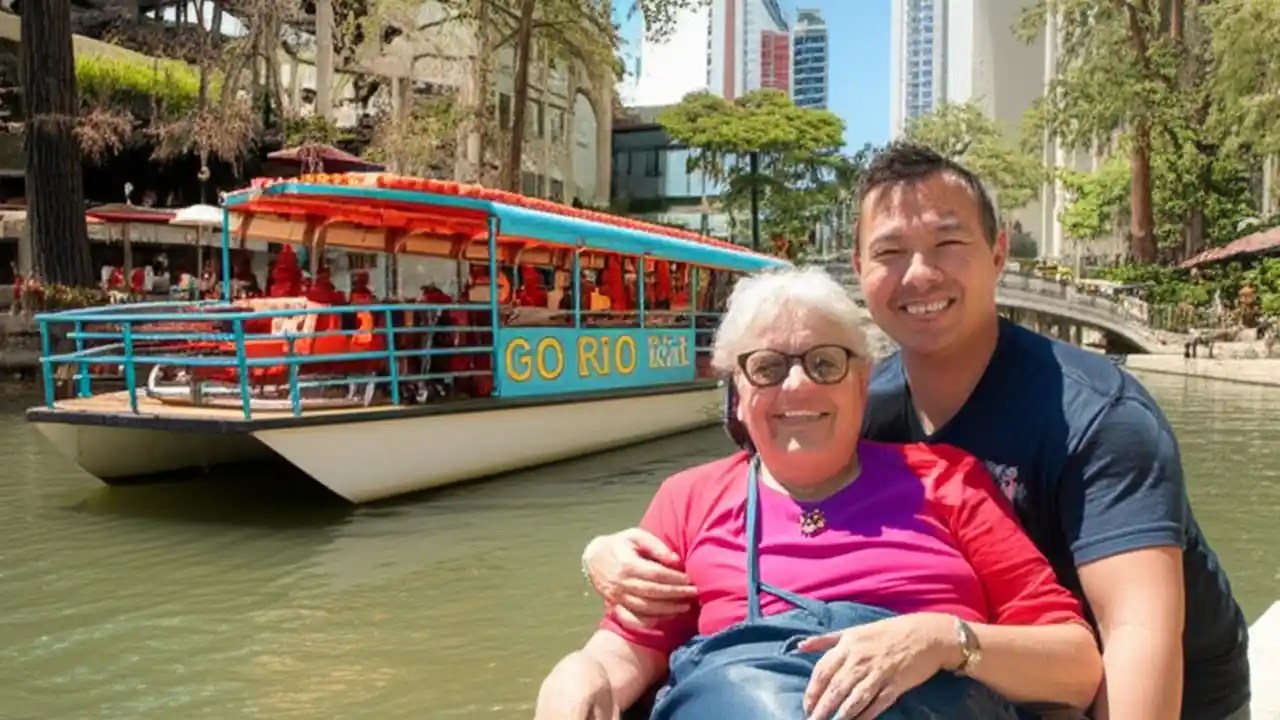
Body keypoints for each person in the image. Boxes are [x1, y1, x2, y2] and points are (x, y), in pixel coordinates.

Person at [579, 144, 1250, 720]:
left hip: (1160, 694)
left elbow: (1132, 631)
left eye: (947, 244)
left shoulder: (1098, 416)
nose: (919, 274)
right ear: (862, 268)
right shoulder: (859, 402)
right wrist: (609, 553)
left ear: (998, 252)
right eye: (891, 251)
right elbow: (745, 494)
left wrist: (947, 639)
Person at [535, 267, 1103, 720]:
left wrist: (941, 640)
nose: (798, 384)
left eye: (825, 362)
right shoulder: (690, 498)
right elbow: (625, 650)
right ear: (736, 391)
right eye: (767, 367)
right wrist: (581, 671)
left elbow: (1075, 670)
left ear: (862, 382)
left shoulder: (946, 481)